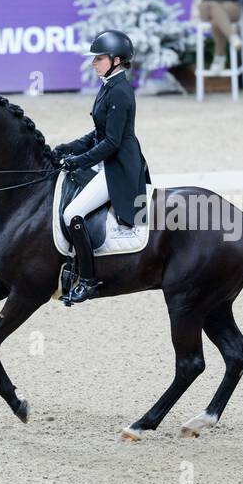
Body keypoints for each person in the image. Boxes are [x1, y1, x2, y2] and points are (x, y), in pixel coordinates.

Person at [52, 30, 151, 306]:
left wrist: (78, 160)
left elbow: (111, 142)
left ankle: (87, 280)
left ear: (116, 59)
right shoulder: (108, 84)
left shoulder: (120, 91)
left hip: (118, 167)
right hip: (108, 160)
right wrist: (67, 148)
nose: (94, 63)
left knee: (73, 213)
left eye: (99, 58)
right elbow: (97, 133)